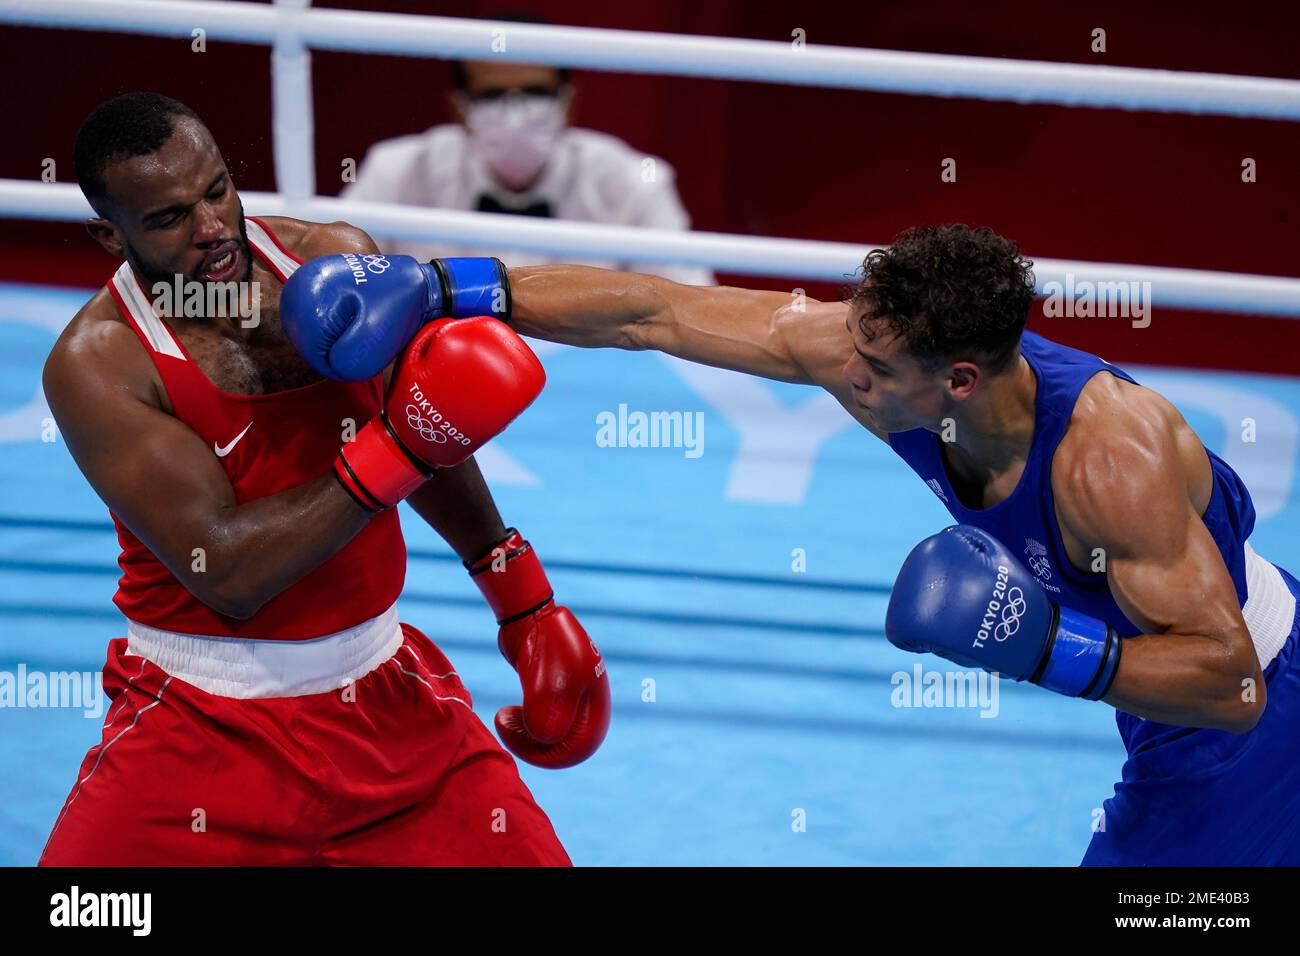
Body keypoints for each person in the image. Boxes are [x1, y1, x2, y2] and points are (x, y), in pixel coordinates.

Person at [284, 225, 1300, 865]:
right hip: (1173, 676)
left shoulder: (1109, 460)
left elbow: (1230, 686)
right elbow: (654, 311)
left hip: (1235, 708)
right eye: (852, 339)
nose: (841, 373)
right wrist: (450, 285)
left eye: (871, 365)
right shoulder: (871, 354)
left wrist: (1044, 648)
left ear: (958, 380)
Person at [38, 91, 609, 867]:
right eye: (171, 218)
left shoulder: (331, 260)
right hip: (199, 726)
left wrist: (522, 597)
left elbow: (424, 425)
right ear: (111, 234)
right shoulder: (101, 364)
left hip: (382, 700)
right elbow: (228, 569)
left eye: (216, 192)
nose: (211, 230)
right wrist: (400, 444)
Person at [340, 15, 713, 285]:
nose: (515, 115)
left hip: (594, 382)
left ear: (568, 104)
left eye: (535, 93)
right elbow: (337, 284)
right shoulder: (397, 171)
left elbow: (691, 301)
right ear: (460, 109)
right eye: (493, 95)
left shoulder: (633, 181)